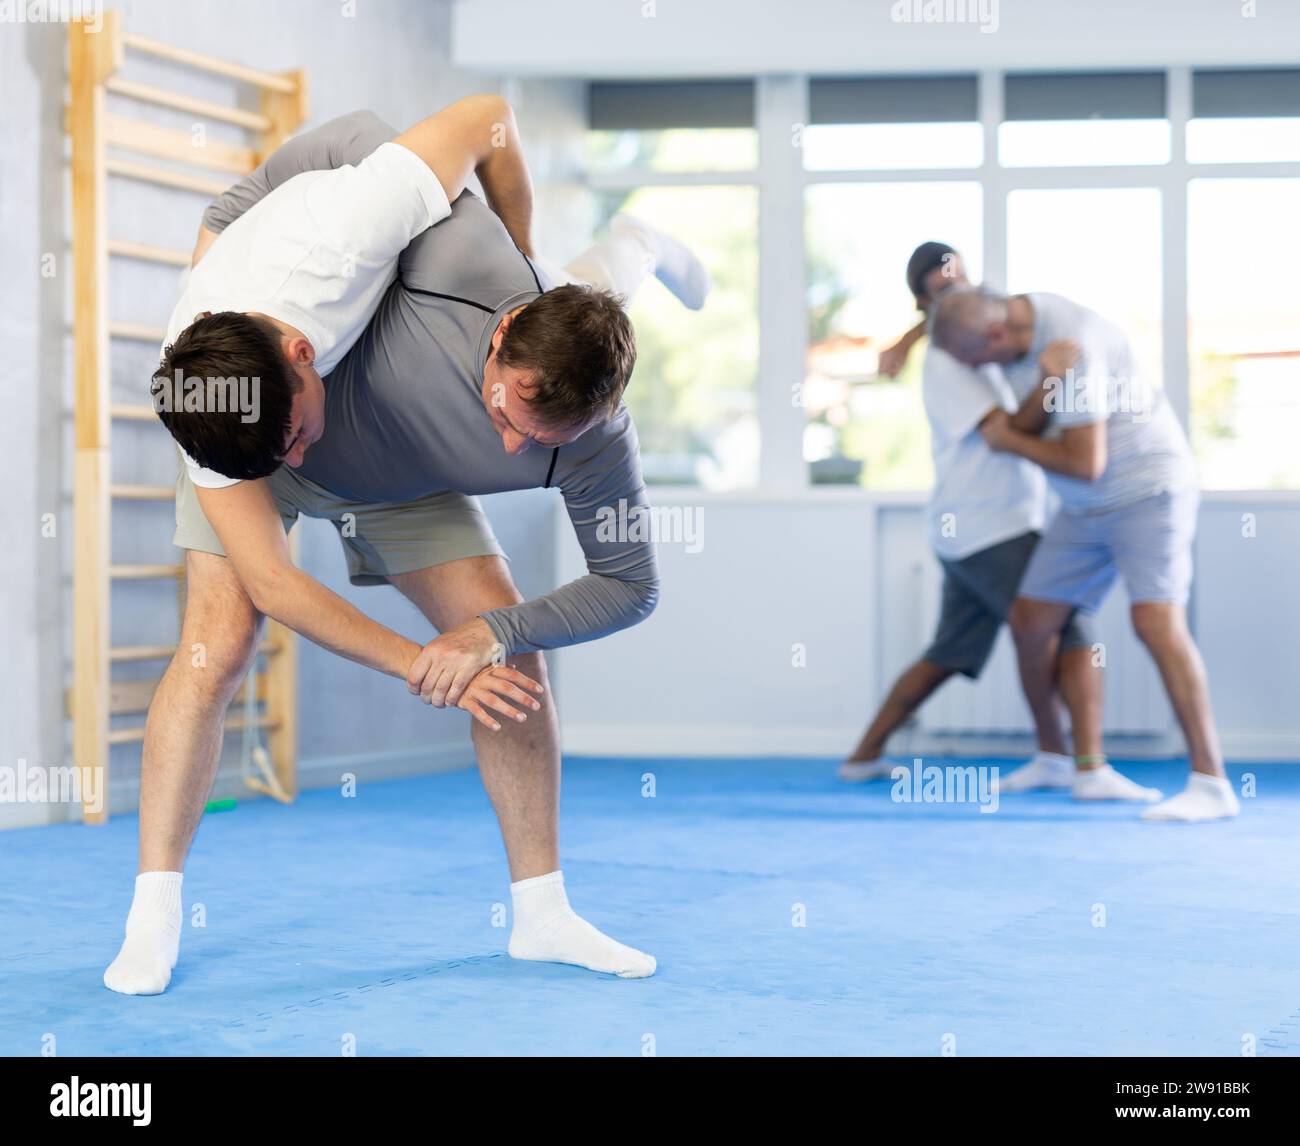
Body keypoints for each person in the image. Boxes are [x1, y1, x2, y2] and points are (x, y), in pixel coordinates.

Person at [104, 105, 711, 995]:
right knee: (215, 644)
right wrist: (227, 224)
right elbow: (273, 581)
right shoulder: (211, 387)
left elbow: (630, 586)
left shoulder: (573, 414)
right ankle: (150, 919)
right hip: (253, 445)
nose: (512, 450)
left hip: (406, 478)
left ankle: (543, 915)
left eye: (529, 435)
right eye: (504, 414)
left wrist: (486, 637)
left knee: (512, 662)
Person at [842, 245, 1155, 802]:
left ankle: (863, 756)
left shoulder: (978, 334)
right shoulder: (949, 358)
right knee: (1070, 622)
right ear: (925, 304)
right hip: (990, 525)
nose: (957, 288)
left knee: (949, 652)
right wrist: (1047, 378)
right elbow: (1010, 433)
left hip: (972, 525)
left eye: (960, 276)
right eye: (942, 286)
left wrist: (908, 338)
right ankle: (1084, 767)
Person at [931, 288, 1238, 823]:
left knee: (1154, 620)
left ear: (996, 338)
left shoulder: (1077, 344)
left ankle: (1211, 783)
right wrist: (1040, 393)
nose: (978, 373)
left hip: (1146, 490)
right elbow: (1029, 427)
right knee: (1029, 620)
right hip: (1085, 510)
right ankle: (1056, 759)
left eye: (976, 361)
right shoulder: (1026, 342)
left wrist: (1006, 440)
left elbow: (1084, 462)